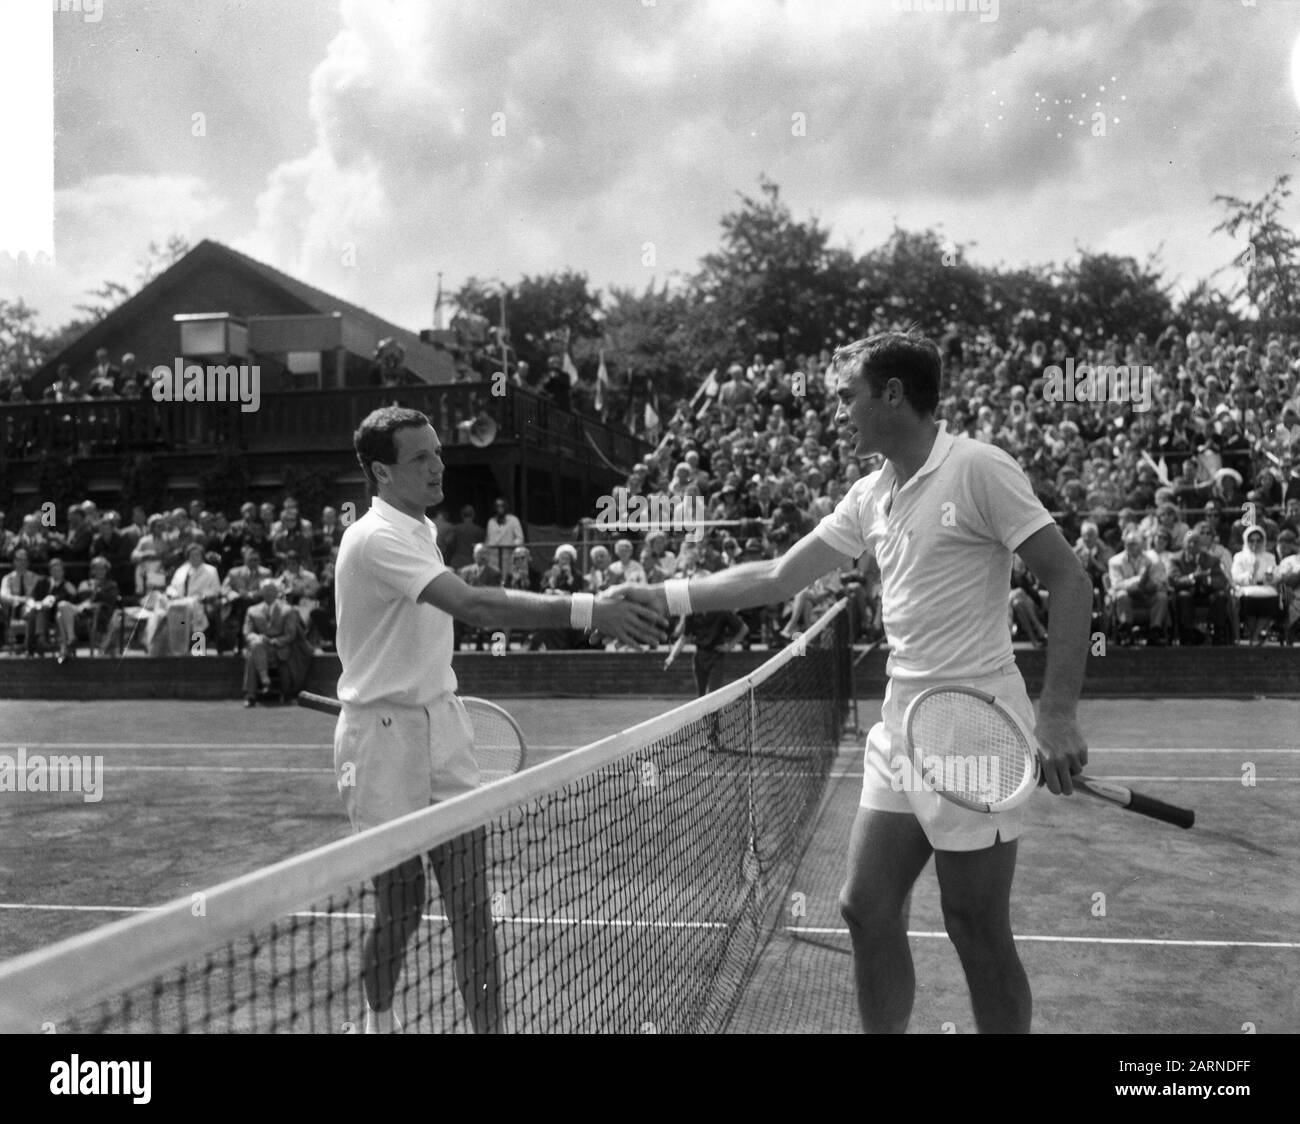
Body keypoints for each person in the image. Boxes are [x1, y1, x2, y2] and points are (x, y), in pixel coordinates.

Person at [622, 332, 1091, 1034]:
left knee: (974, 925)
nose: (841, 410)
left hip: (975, 721)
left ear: (892, 394)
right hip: (901, 721)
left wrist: (1056, 717)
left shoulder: (979, 469)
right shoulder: (870, 494)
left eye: (850, 396)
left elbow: (1069, 578)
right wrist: (667, 595)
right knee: (866, 907)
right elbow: (779, 576)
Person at [333, 406, 664, 1034]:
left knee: (472, 906)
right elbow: (474, 606)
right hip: (379, 742)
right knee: (400, 904)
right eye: (420, 458)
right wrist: (585, 607)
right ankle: (375, 1022)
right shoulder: (373, 537)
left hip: (442, 725)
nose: (438, 466)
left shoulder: (420, 528)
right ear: (381, 472)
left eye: (437, 452)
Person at [242, 579, 314, 704]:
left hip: (279, 648)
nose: (269, 593)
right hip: (260, 646)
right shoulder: (252, 610)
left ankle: (251, 694)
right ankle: (262, 681)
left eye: (271, 590)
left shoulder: (288, 610)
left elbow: (290, 634)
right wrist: (257, 638)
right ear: (261, 592)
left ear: (277, 592)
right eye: (266, 590)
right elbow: (247, 632)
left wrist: (274, 641)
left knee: (253, 653)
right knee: (256, 647)